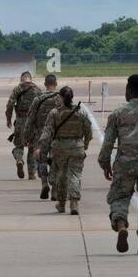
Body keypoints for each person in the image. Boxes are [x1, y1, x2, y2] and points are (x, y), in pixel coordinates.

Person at [98, 73, 138, 255]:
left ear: (129, 90)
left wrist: (104, 163)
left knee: (119, 197)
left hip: (124, 162)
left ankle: (120, 225)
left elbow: (108, 142)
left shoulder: (117, 114)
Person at [35, 86, 92, 215]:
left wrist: (42, 150)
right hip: (77, 147)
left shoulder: (55, 113)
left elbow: (46, 134)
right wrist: (85, 145)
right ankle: (74, 202)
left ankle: (61, 204)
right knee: (75, 175)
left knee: (61, 175)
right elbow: (88, 131)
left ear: (60, 97)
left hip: (59, 148)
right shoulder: (80, 112)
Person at [25, 74, 62, 199]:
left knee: (41, 160)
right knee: (56, 162)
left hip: (40, 135)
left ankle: (44, 183)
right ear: (56, 84)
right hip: (57, 135)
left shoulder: (38, 100)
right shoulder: (61, 99)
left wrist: (26, 137)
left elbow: (30, 120)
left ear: (45, 84)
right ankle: (55, 189)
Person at [4, 71, 39, 179]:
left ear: (22, 79)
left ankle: (19, 159)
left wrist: (9, 119)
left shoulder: (18, 89)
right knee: (32, 148)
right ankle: (32, 173)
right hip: (33, 122)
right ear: (30, 79)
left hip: (20, 121)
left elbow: (10, 104)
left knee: (19, 145)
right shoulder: (37, 90)